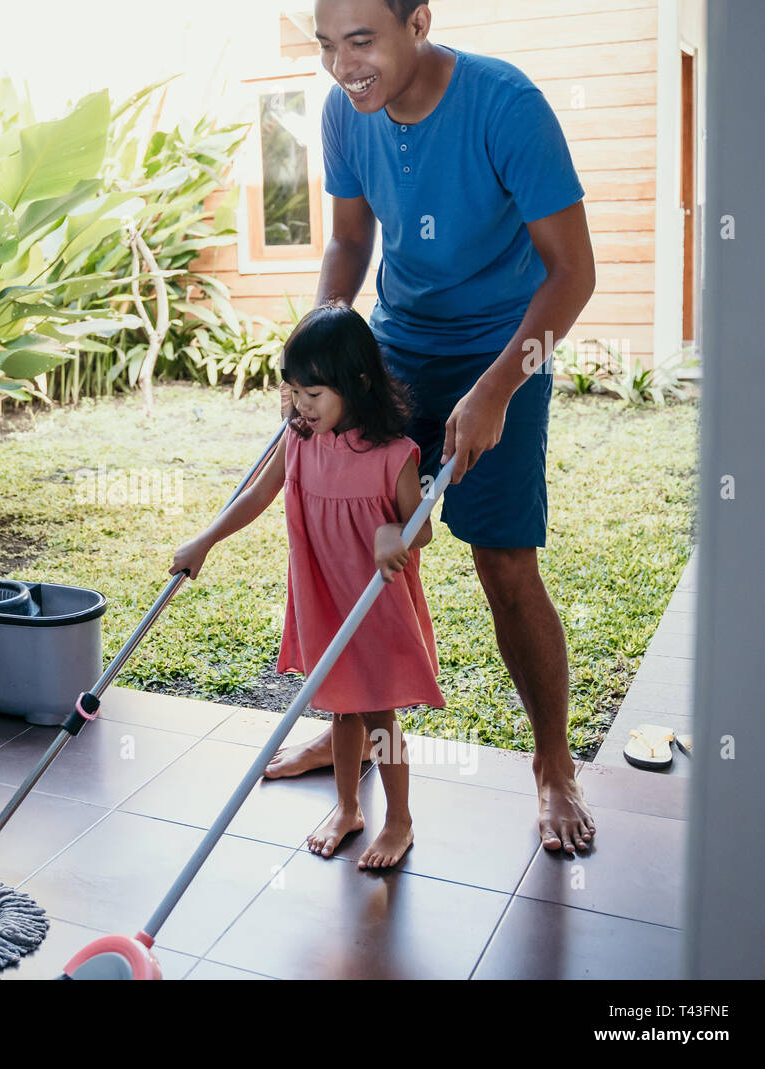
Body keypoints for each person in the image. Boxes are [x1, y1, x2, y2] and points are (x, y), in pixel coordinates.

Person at [266, 0, 598, 855]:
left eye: (363, 41)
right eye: (329, 46)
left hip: (505, 347)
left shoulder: (504, 104)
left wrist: (495, 389)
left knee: (505, 565)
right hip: (398, 347)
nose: (344, 66)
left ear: (418, 21)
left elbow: (572, 274)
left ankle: (553, 761)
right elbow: (348, 241)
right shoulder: (346, 112)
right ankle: (353, 739)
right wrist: (320, 354)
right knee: (346, 548)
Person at [171, 302, 442, 867]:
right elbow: (257, 495)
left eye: (314, 394)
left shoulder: (394, 456)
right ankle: (347, 807)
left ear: (358, 383)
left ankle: (401, 820)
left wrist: (395, 531)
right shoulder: (297, 441)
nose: (301, 405)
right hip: (325, 600)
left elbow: (423, 533)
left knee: (379, 716)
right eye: (294, 392)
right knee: (342, 709)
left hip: (375, 607)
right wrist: (206, 540)